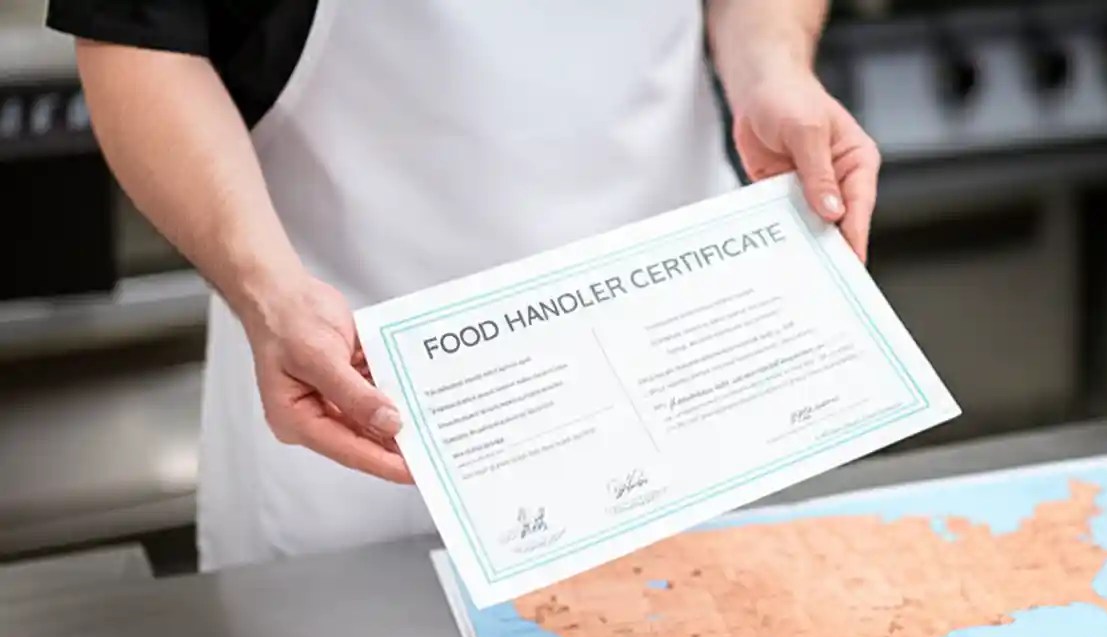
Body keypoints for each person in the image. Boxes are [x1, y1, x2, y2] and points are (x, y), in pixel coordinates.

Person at [47, 1, 881, 571]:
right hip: (360, 415)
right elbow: (138, 36)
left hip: (684, 393)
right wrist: (264, 289)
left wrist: (772, 69)